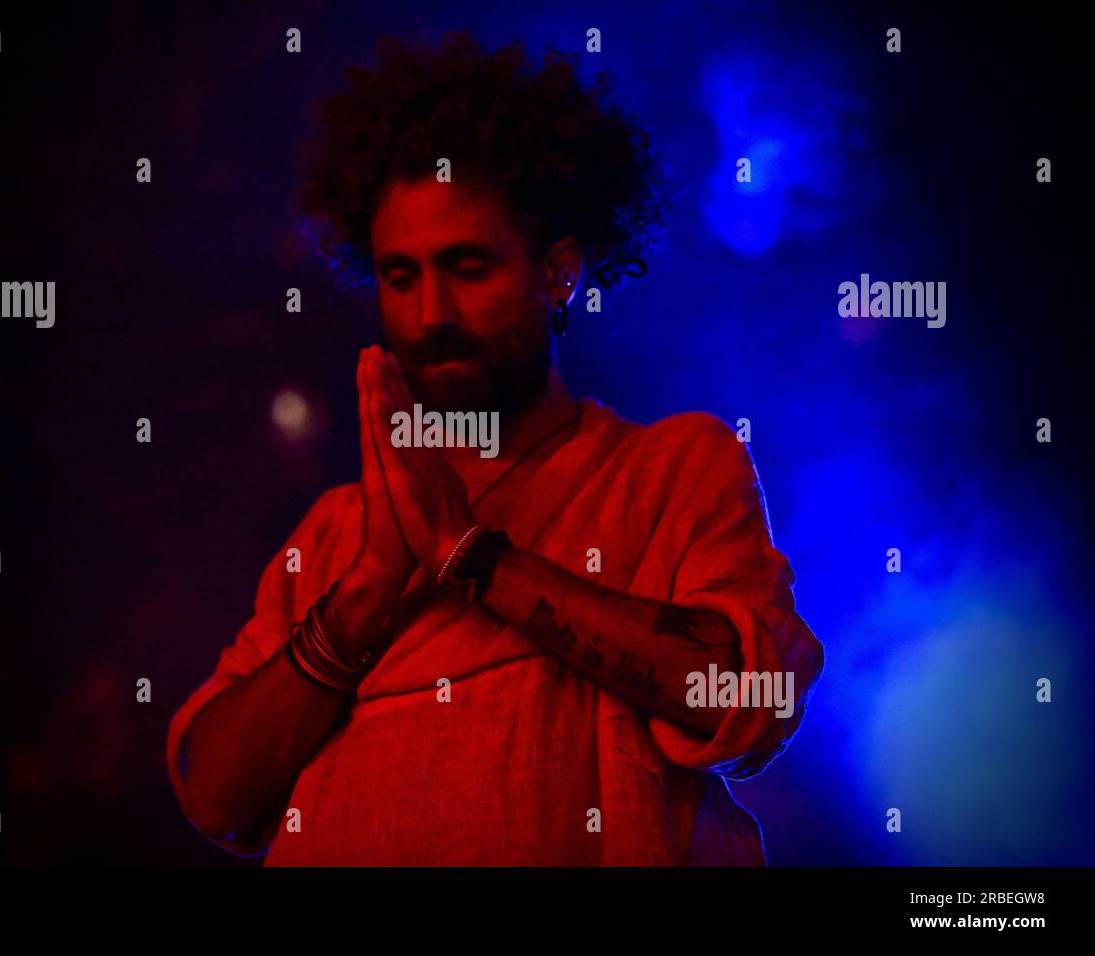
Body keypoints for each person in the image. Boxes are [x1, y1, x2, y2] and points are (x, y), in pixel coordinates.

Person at [167, 30, 823, 865]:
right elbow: (211, 793)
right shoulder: (333, 535)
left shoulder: (671, 468)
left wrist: (475, 557)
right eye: (400, 277)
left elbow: (749, 700)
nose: (430, 313)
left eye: (467, 266)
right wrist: (369, 587)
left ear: (559, 274)